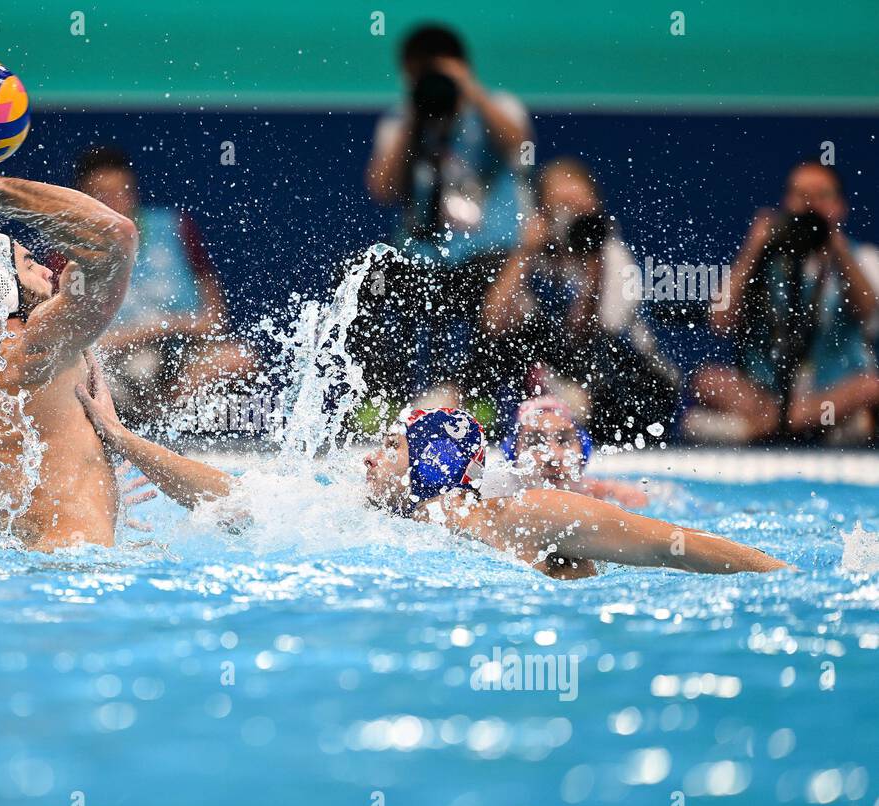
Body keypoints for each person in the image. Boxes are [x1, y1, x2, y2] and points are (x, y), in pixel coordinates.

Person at [75, 357, 786, 579]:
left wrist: (781, 575)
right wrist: (119, 436)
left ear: (429, 465)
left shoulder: (520, 518)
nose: (365, 456)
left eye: (388, 446)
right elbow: (226, 494)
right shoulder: (342, 516)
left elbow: (669, 543)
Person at [0, 114, 139, 550]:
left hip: (34, 568)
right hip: (77, 570)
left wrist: (93, 480)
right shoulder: (38, 347)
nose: (41, 266)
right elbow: (116, 236)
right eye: (24, 262)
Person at [353, 23, 533, 422]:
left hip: (487, 260)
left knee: (511, 296)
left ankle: (475, 400)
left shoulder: (499, 108)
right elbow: (381, 189)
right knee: (367, 278)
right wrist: (413, 121)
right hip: (421, 260)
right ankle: (380, 400)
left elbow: (519, 144)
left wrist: (467, 89)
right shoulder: (399, 122)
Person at [481, 158, 682, 444]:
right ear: (543, 212)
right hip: (560, 379)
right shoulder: (530, 255)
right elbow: (492, 323)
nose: (572, 214)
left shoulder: (613, 255)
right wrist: (524, 252)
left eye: (580, 205)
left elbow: (591, 335)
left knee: (614, 363)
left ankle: (573, 413)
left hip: (618, 382)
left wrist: (592, 258)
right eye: (563, 205)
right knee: (510, 347)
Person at [688, 161, 879, 444]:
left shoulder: (862, 257)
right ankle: (796, 425)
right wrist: (753, 250)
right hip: (765, 393)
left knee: (872, 386)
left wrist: (836, 249)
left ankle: (764, 428)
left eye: (820, 196)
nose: (810, 206)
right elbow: (720, 321)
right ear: (786, 204)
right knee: (706, 380)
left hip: (832, 394)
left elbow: (866, 313)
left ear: (840, 207)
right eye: (801, 196)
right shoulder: (763, 259)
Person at [71, 146, 256, 431]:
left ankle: (169, 422)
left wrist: (165, 327)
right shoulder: (69, 252)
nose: (114, 203)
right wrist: (143, 332)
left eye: (121, 192)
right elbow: (76, 343)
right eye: (101, 195)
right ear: (83, 200)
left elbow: (215, 319)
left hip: (181, 364)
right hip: (115, 369)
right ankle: (130, 428)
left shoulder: (176, 228)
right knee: (80, 379)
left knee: (238, 359)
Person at [500, 396, 649, 509]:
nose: (553, 456)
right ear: (513, 453)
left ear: (583, 450)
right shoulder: (498, 498)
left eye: (564, 441)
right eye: (535, 443)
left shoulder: (607, 494)